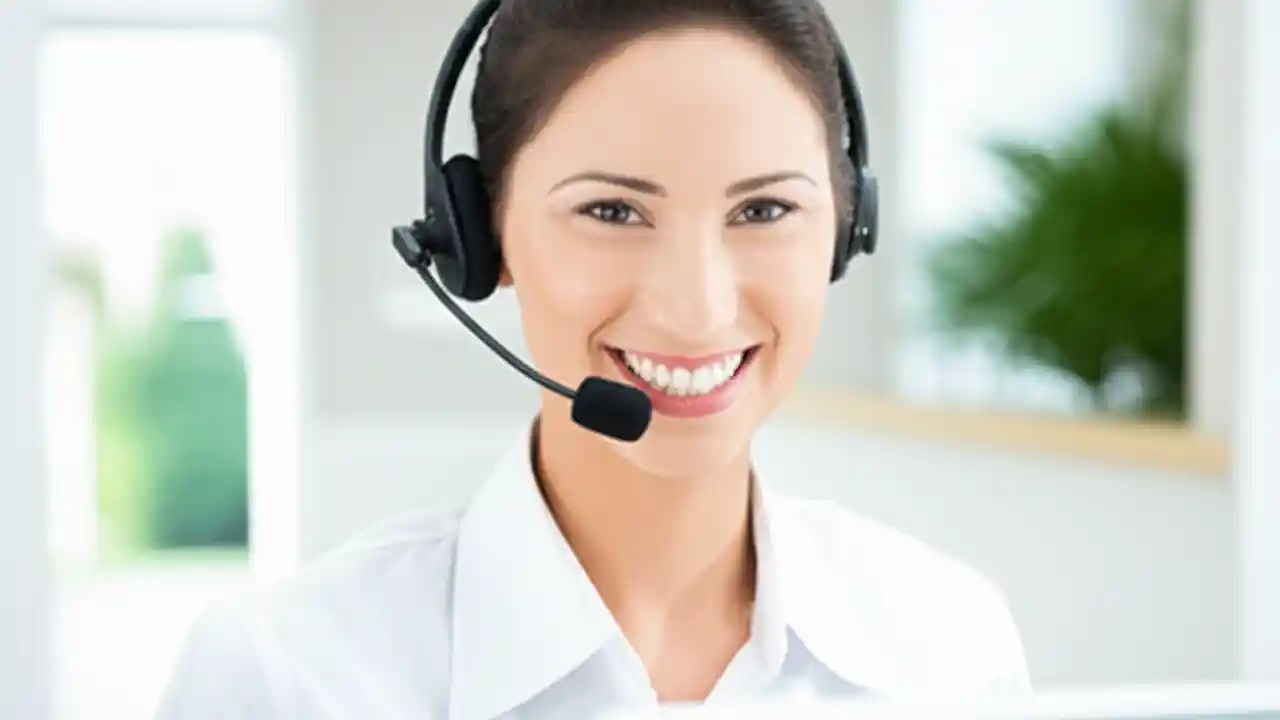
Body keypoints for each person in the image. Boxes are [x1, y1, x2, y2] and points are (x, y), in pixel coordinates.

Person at [155, 1, 1030, 717]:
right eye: (613, 212)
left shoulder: (950, 648)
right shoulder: (285, 678)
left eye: (763, 211)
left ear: (845, 230)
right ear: (480, 237)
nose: (698, 308)